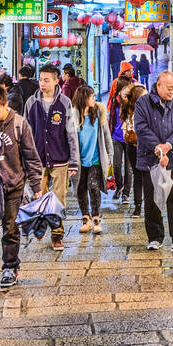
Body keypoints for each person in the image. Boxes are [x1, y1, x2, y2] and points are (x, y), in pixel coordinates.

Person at [0, 83, 43, 289]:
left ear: (5, 104)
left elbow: (31, 158)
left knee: (10, 228)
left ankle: (10, 267)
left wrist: (37, 187)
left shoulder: (19, 124)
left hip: (13, 186)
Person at [134, 71, 173, 253]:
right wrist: (158, 148)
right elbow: (141, 127)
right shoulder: (143, 103)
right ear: (158, 86)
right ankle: (155, 237)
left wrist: (168, 145)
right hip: (149, 159)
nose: (172, 92)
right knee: (151, 201)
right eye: (169, 88)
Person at [25, 63, 80, 250]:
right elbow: (26, 134)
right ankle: (40, 225)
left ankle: (57, 234)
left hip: (60, 159)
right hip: (37, 160)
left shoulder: (64, 103)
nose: (42, 83)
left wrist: (73, 162)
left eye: (46, 80)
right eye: (40, 79)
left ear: (57, 81)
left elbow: (71, 134)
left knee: (58, 199)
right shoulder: (31, 103)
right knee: (38, 196)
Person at [72, 85, 113, 234]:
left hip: (96, 158)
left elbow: (107, 136)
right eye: (91, 97)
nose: (94, 99)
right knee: (80, 188)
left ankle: (95, 218)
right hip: (78, 160)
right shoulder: (73, 115)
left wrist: (109, 157)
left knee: (93, 186)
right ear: (84, 98)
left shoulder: (99, 112)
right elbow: (69, 139)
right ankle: (85, 218)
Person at [108, 74, 135, 203]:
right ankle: (119, 186)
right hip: (116, 136)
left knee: (129, 168)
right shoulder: (114, 101)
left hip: (129, 138)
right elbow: (111, 118)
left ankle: (126, 194)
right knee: (117, 165)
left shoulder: (133, 101)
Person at [123, 83, 148, 214]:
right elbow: (123, 93)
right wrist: (135, 85)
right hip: (133, 146)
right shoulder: (129, 108)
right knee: (138, 175)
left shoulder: (146, 108)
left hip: (145, 146)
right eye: (143, 96)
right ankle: (138, 205)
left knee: (144, 176)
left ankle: (143, 205)